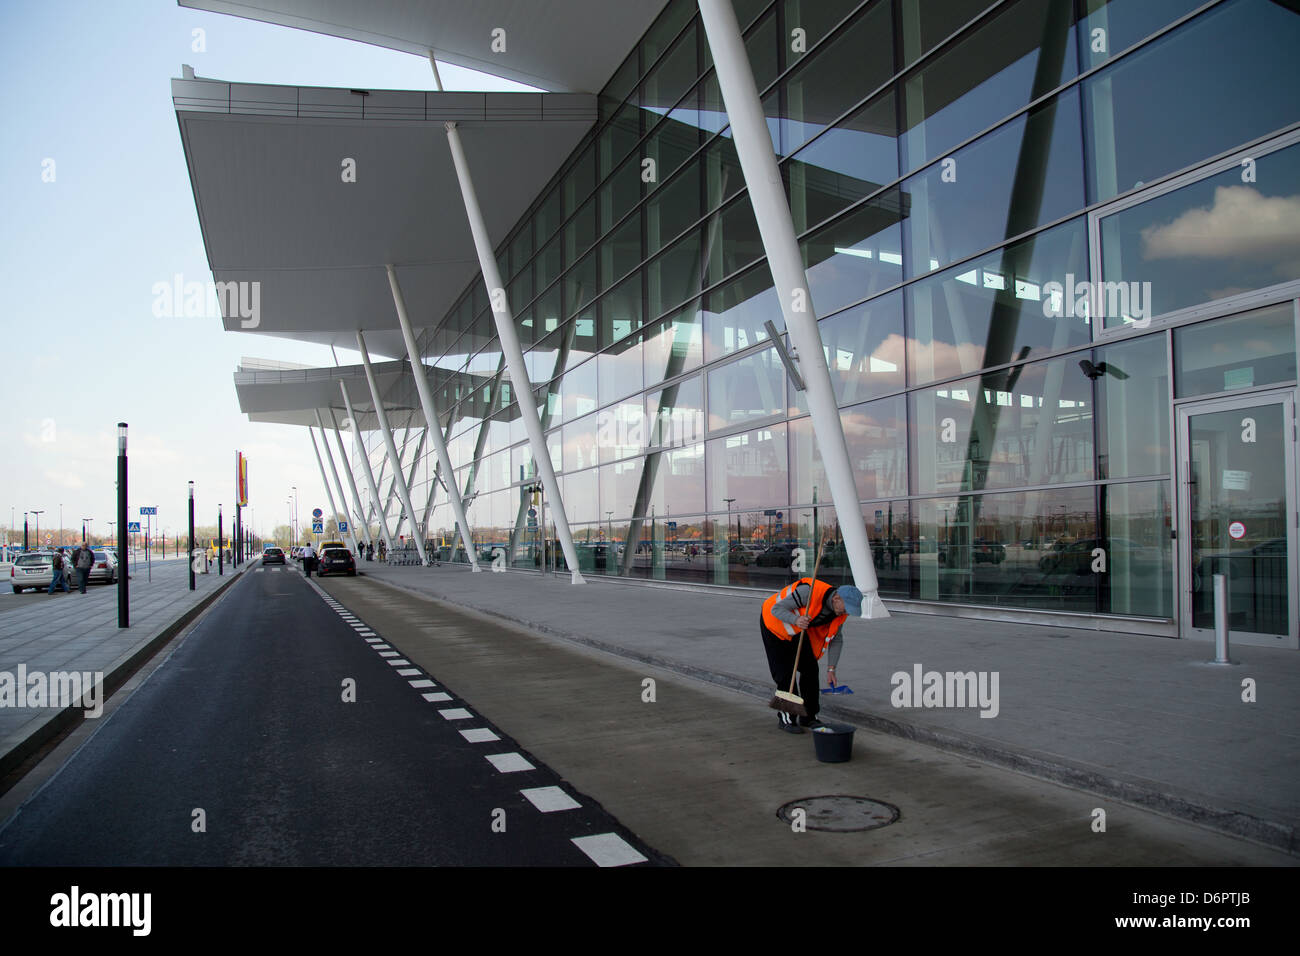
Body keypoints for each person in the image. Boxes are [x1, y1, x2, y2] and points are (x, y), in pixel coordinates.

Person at [760, 577, 862, 733]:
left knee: (811, 669)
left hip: (798, 631)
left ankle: (809, 716)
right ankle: (787, 718)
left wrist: (831, 669)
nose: (846, 612)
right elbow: (776, 609)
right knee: (786, 674)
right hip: (774, 625)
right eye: (846, 608)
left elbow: (836, 638)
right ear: (836, 598)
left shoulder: (839, 612)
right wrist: (796, 619)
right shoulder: (808, 592)